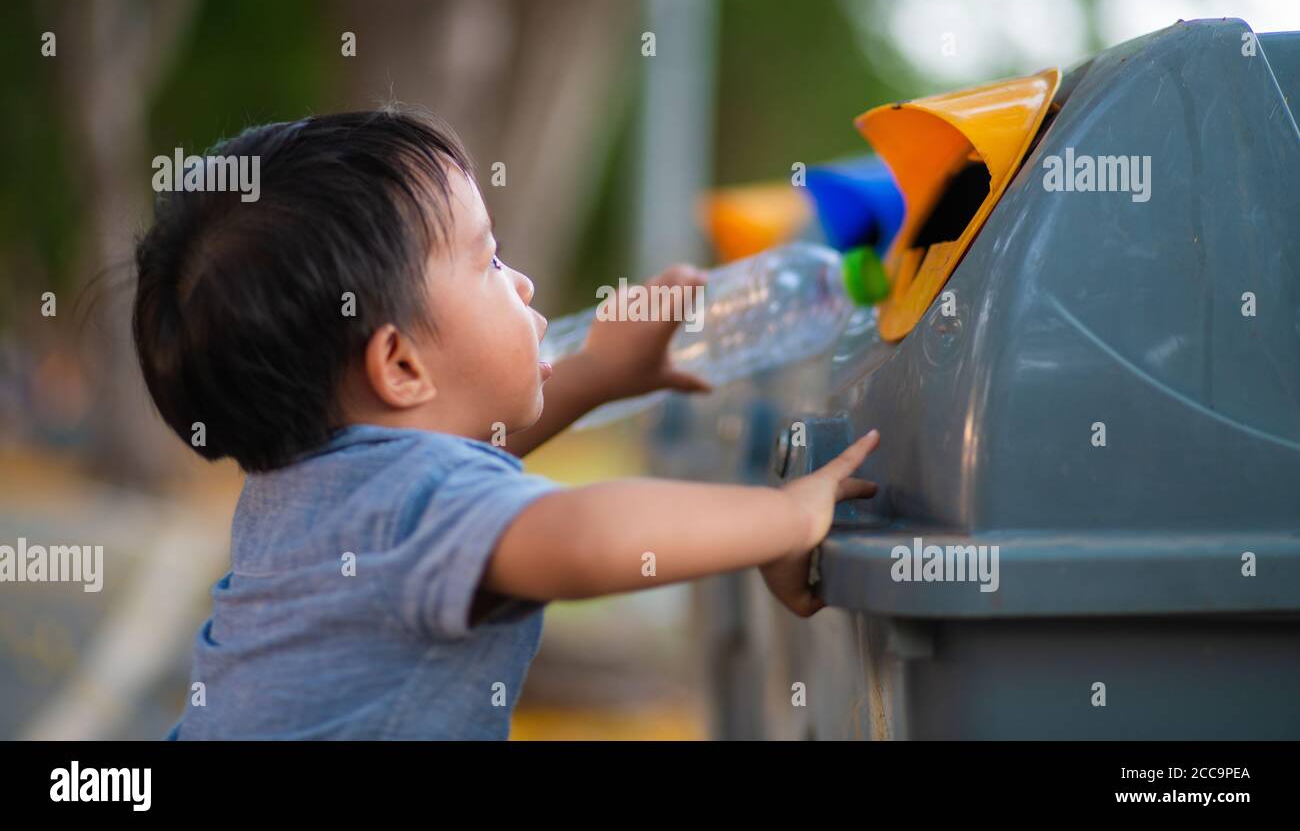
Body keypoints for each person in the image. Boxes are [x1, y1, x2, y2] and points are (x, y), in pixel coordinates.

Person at [133, 108, 880, 739]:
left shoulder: (301, 493)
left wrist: (598, 375)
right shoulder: (408, 504)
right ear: (399, 365)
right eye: (489, 262)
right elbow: (587, 538)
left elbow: (436, 467)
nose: (520, 281)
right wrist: (784, 517)